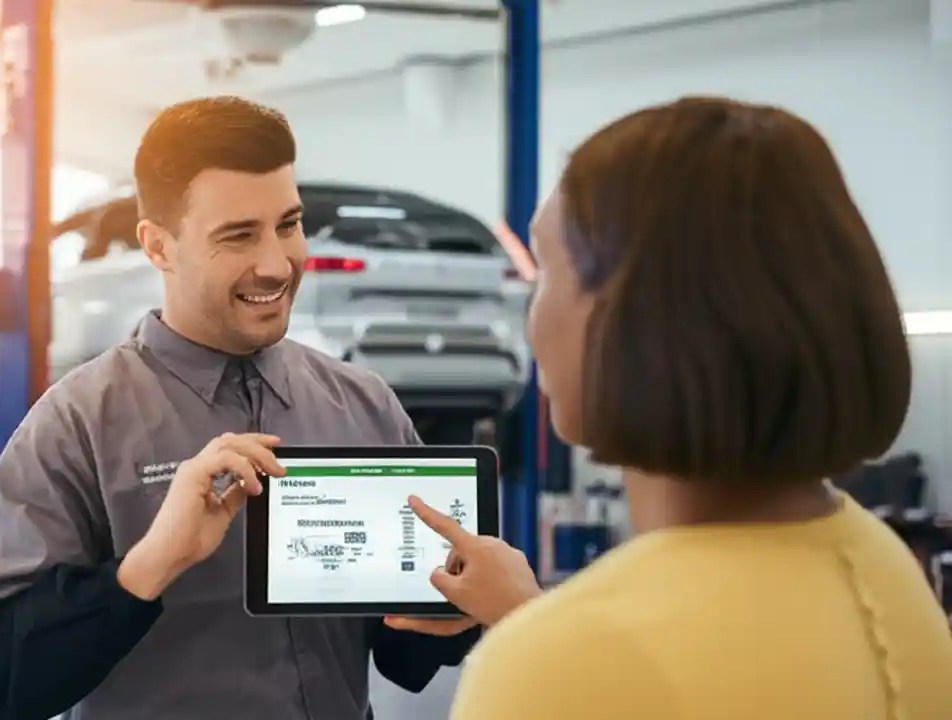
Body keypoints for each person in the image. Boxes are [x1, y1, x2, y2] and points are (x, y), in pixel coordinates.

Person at [394, 96, 952, 719]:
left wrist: (549, 639)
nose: (532, 316)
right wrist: (539, 616)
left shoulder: (556, 666)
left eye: (545, 272)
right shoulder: (883, 569)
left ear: (636, 320)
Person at [0, 96, 479, 720]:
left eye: (289, 223)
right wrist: (149, 565)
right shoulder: (77, 424)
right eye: (238, 235)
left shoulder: (364, 404)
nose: (277, 263)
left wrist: (463, 601)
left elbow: (402, 652)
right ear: (158, 246)